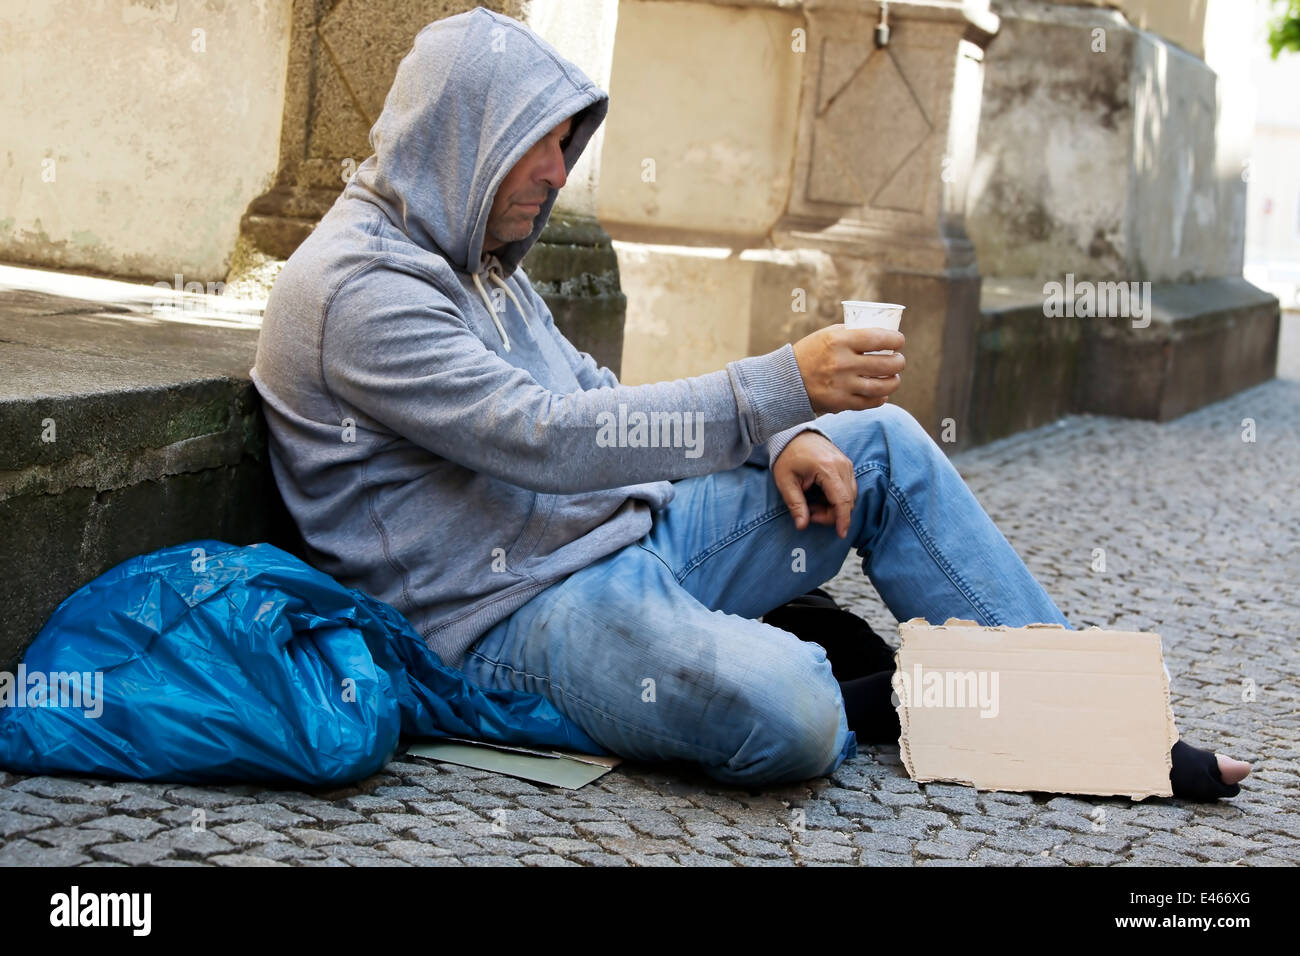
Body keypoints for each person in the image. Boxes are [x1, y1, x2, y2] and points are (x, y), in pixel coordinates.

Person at [251, 8, 1249, 800]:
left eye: (564, 146)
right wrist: (778, 379)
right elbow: (546, 439)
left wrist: (785, 430)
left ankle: (1087, 723)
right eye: (538, 148)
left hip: (632, 532)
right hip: (515, 616)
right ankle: (889, 687)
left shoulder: (472, 257)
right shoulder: (359, 292)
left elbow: (596, 397)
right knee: (795, 717)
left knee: (881, 448)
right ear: (462, 138)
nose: (559, 174)